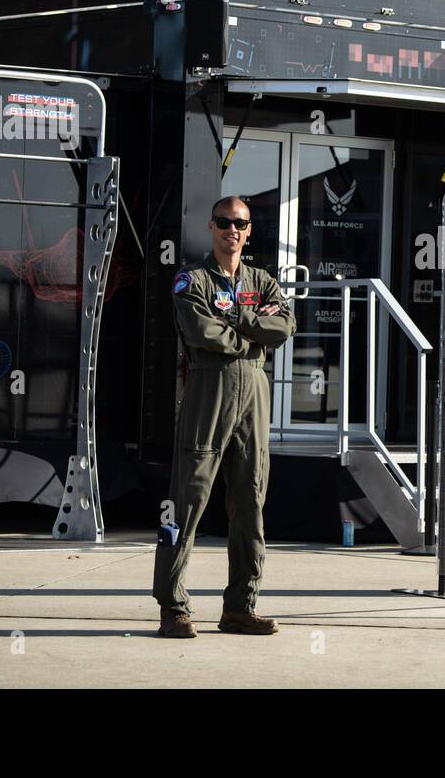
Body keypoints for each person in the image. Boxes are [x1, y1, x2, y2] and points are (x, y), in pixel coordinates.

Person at [153, 196, 296, 637]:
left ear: (249, 231)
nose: (232, 230)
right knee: (187, 501)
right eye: (223, 222)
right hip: (208, 390)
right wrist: (251, 333)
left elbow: (285, 327)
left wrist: (235, 317)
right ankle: (173, 607)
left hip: (253, 392)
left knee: (250, 503)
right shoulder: (190, 280)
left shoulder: (262, 280)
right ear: (211, 227)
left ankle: (240, 606)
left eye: (240, 223)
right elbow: (200, 332)